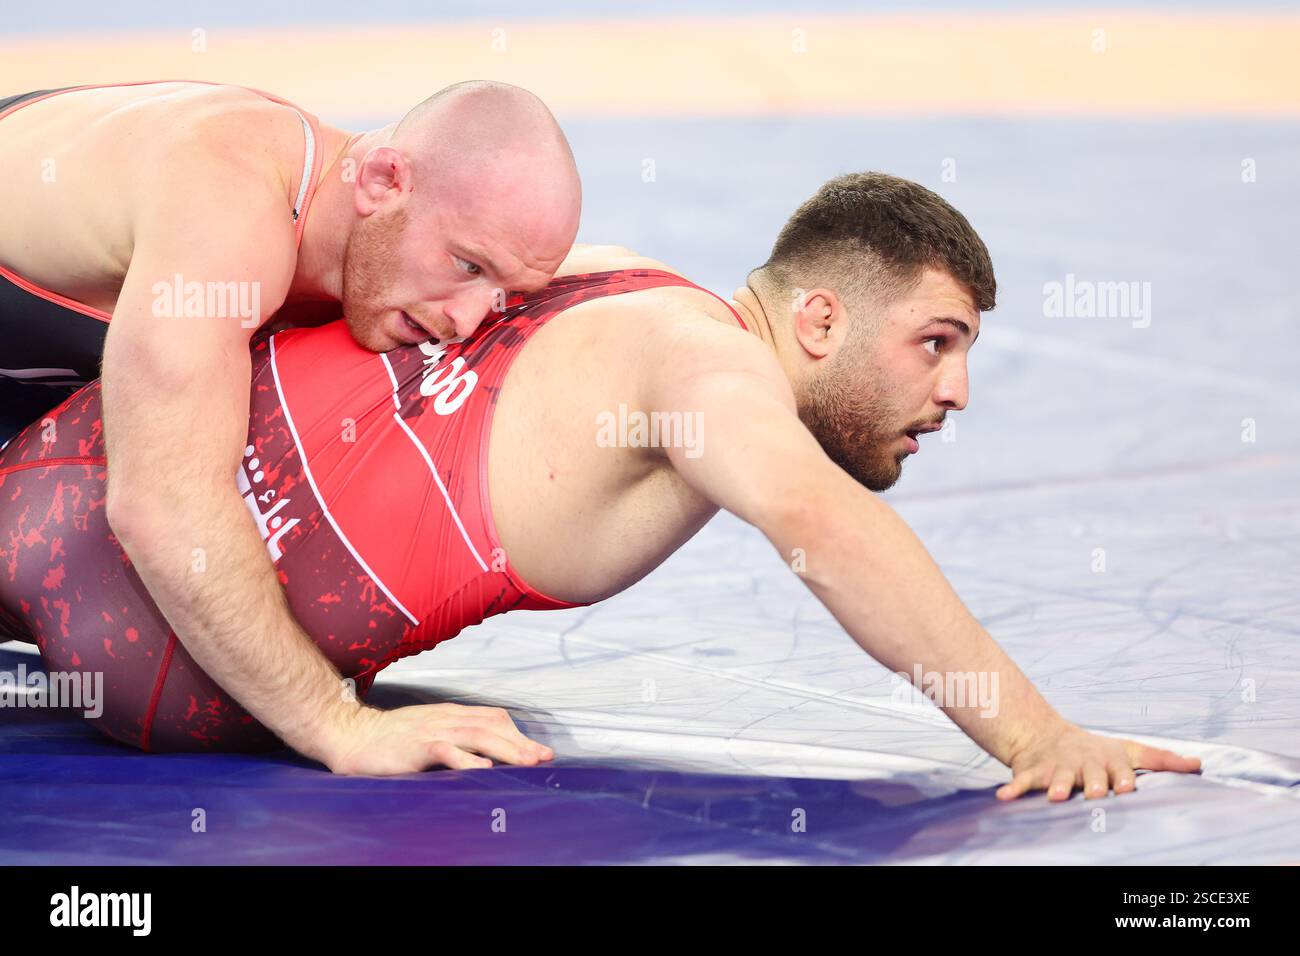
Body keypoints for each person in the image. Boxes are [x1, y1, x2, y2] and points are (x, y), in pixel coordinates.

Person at [0, 172, 1200, 800]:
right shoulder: (708, 372)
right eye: (935, 342)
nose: (955, 391)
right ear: (821, 317)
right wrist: (1036, 732)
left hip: (78, 450)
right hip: (170, 649)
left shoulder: (601, 267)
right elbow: (821, 523)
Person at [0, 78, 581, 767]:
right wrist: (336, 724)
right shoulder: (226, 208)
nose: (465, 319)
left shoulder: (371, 242)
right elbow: (161, 504)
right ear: (383, 179)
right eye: (466, 264)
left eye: (502, 293)